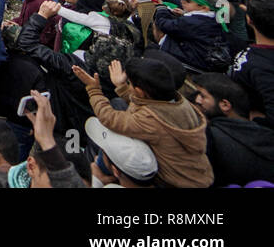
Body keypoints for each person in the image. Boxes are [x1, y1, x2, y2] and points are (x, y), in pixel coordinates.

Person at [72, 56, 213, 188]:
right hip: (199, 175)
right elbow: (146, 106)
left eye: (130, 84)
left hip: (175, 183)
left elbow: (109, 118)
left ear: (139, 91)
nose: (129, 87)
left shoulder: (150, 121)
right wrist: (121, 86)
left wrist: (93, 89)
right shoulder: (179, 104)